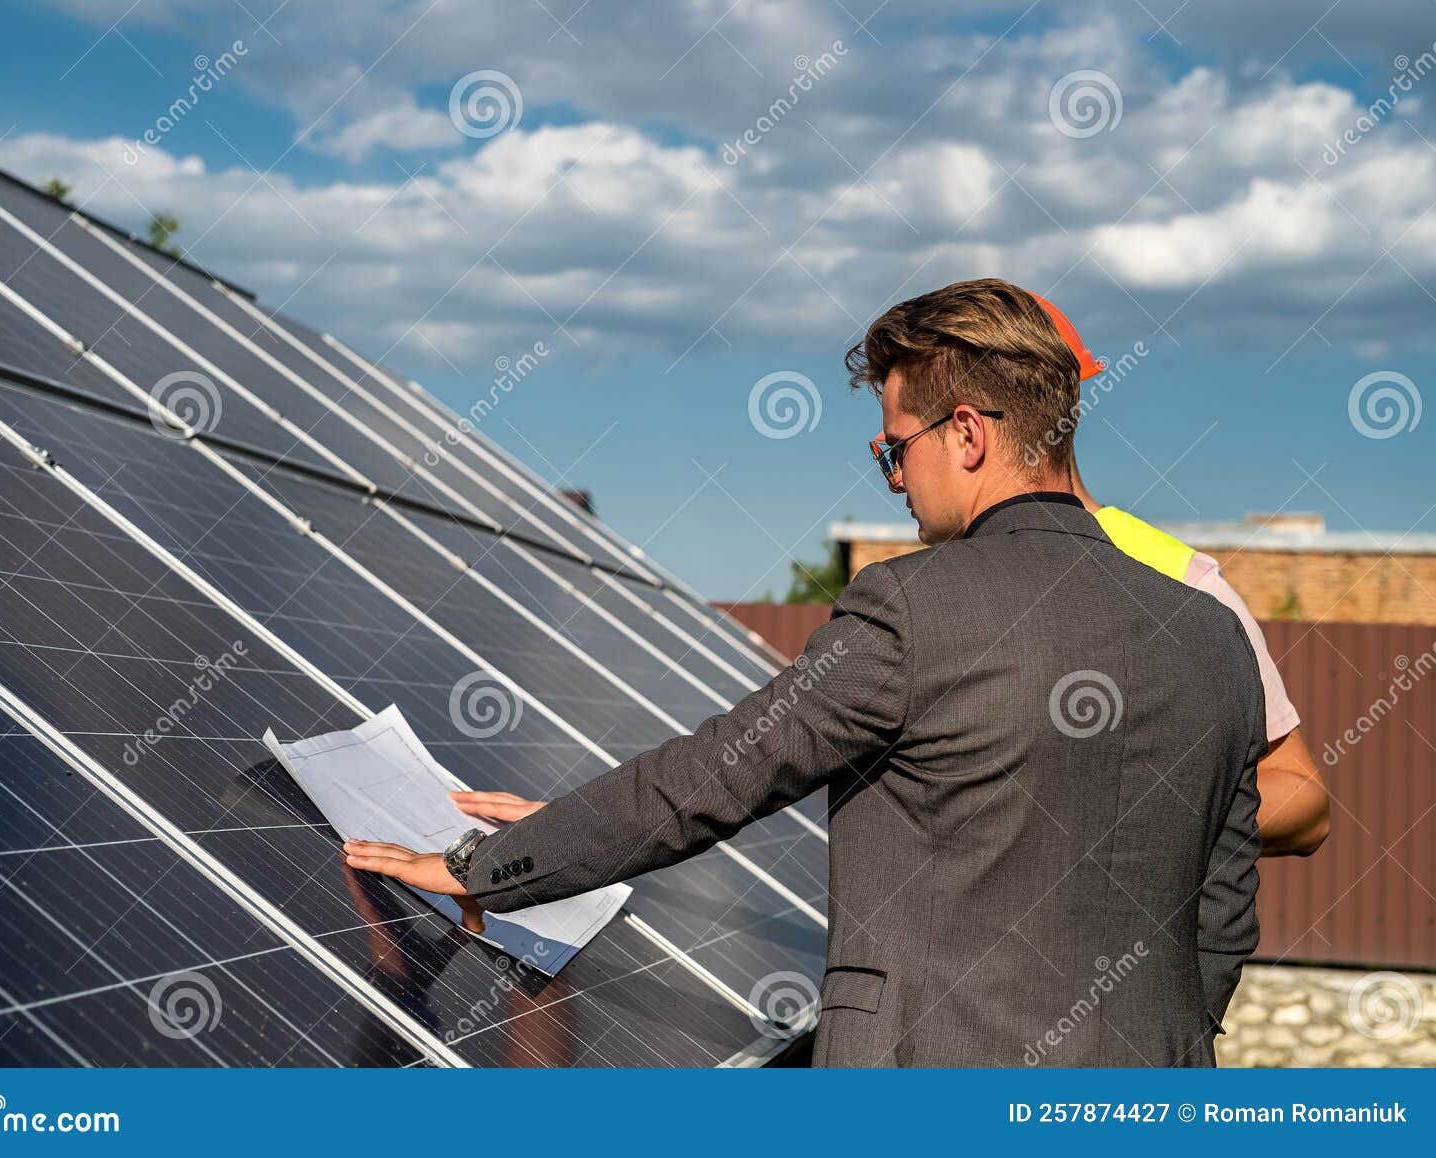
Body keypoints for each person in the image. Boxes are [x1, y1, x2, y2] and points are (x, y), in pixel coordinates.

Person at [343, 278, 1267, 1067]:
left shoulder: (913, 608)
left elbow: (710, 779)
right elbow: (1225, 902)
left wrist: (485, 866)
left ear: (969, 435)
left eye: (893, 450)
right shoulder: (1211, 632)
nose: (896, 481)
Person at [1023, 292, 1330, 861]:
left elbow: (1305, 801)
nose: (896, 479)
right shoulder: (927, 592)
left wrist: (1142, 820)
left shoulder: (1184, 581)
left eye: (900, 449)